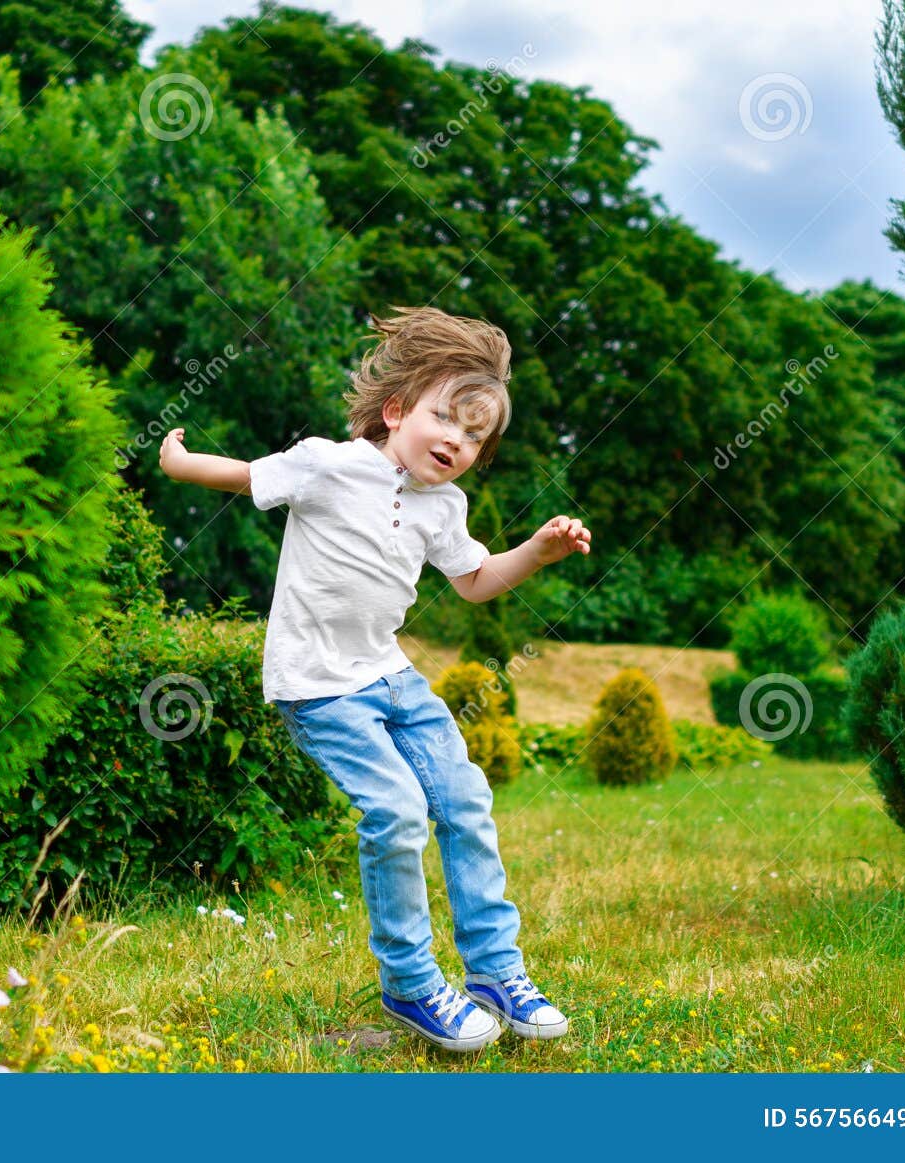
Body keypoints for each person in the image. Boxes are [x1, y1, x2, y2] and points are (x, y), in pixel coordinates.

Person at [158, 305, 590, 1053]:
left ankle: (494, 972)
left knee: (464, 795)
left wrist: (538, 550)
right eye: (445, 418)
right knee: (393, 808)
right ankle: (413, 984)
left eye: (475, 434)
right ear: (396, 410)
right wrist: (175, 460)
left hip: (389, 674)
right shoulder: (328, 463)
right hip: (318, 685)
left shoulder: (442, 505)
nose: (457, 440)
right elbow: (243, 475)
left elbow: (477, 579)